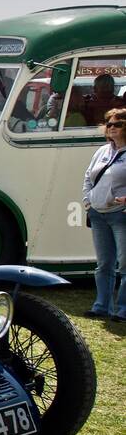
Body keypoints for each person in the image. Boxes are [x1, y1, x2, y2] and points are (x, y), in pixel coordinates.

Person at [83, 106, 126, 321]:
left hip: (121, 213)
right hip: (99, 213)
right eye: (109, 124)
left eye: (117, 124)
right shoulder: (102, 151)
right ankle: (102, 306)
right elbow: (88, 177)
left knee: (125, 263)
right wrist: (87, 200)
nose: (111, 128)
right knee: (104, 264)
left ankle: (123, 309)